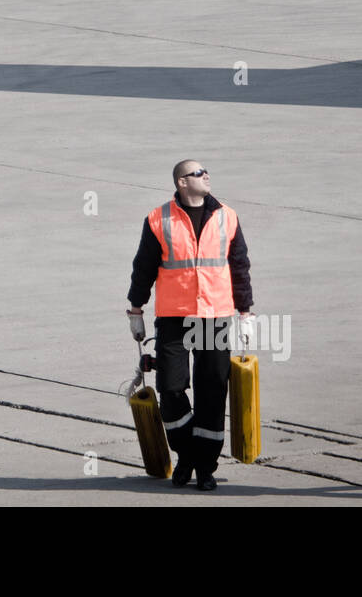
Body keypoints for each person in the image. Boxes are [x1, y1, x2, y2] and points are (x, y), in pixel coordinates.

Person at [126, 160, 252, 490]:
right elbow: (144, 266)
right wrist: (135, 310)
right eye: (198, 173)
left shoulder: (228, 215)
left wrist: (246, 312)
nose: (206, 175)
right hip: (174, 316)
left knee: (212, 390)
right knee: (170, 387)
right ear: (182, 182)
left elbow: (239, 266)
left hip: (215, 315)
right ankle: (187, 454)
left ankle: (205, 467)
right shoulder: (158, 219)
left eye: (206, 171)